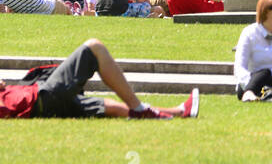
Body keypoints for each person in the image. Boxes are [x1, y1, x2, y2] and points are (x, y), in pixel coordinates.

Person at [0, 38, 198, 120]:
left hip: (38, 103)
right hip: (41, 97)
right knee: (94, 47)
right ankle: (138, 108)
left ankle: (179, 112)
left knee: (114, 107)